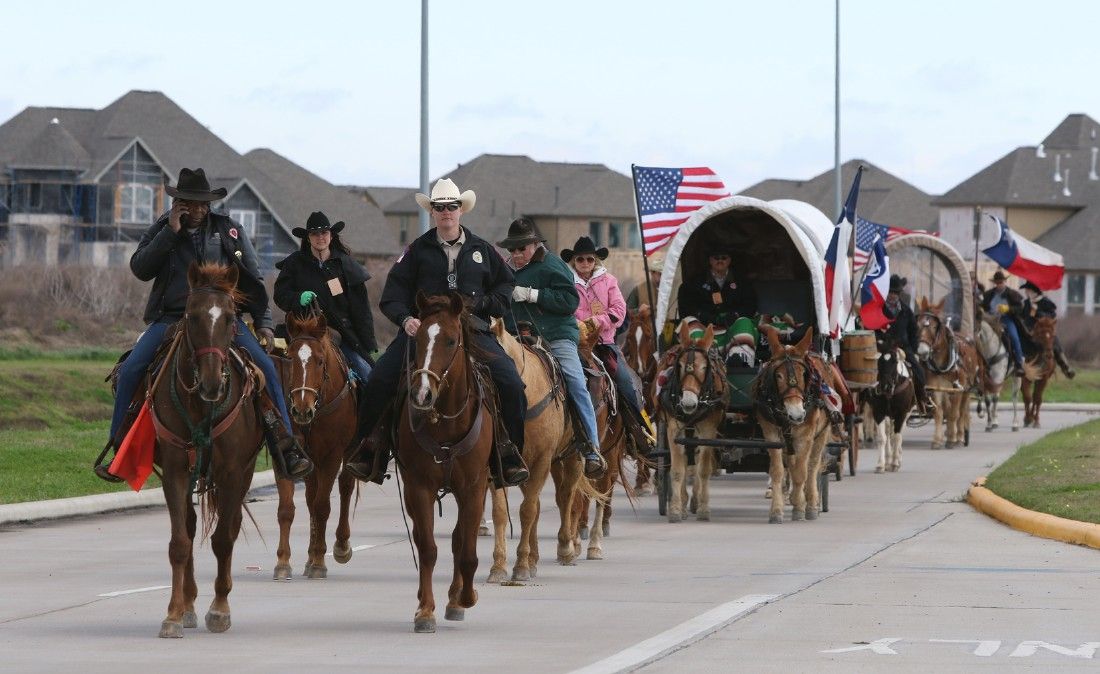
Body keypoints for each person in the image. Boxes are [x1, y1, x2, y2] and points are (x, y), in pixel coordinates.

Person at [94, 168, 312, 482]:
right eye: (190, 204)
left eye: (202, 204)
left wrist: (263, 322)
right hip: (171, 318)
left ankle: (285, 445)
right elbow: (140, 268)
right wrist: (170, 232)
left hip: (223, 320)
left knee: (266, 366)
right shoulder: (161, 230)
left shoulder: (229, 231)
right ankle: (120, 449)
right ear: (178, 203)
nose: (197, 210)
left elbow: (252, 278)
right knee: (130, 370)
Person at [343, 178, 529, 486]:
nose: (446, 213)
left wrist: (483, 302)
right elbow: (392, 295)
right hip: (423, 332)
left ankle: (508, 454)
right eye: (439, 208)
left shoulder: (483, 249)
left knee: (510, 381)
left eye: (451, 207)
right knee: (379, 379)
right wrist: (405, 320)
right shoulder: (416, 251)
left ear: (461, 210)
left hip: (472, 331)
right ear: (432, 212)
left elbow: (505, 285)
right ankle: (369, 449)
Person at [502, 223, 606, 479]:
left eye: (521, 248)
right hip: (517, 337)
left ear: (535, 244)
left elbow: (570, 301)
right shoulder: (505, 270)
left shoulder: (553, 266)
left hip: (556, 336)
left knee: (576, 381)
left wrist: (532, 295)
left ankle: (591, 447)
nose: (516, 254)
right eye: (512, 249)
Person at [564, 235, 653, 454]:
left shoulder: (609, 281)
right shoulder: (565, 281)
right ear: (574, 262)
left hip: (603, 344)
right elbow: (562, 307)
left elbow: (619, 312)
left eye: (589, 259)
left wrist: (595, 322)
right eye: (580, 260)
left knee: (625, 382)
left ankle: (642, 432)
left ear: (595, 261)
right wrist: (574, 323)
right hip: (572, 344)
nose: (585, 264)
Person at [273, 211, 377, 384]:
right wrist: (298, 298)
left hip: (342, 335)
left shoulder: (346, 264)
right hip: (301, 332)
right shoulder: (293, 263)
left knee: (368, 376)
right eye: (314, 233)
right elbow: (280, 295)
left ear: (331, 235)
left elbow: (361, 308)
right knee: (273, 376)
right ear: (307, 238)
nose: (320, 237)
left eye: (324, 233)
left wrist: (368, 342)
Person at [880, 274, 934, 413]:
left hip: (904, 348)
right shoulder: (879, 310)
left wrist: (914, 350)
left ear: (899, 294)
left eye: (895, 293)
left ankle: (922, 398)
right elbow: (874, 328)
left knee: (919, 371)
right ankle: (865, 400)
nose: (893, 295)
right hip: (883, 348)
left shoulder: (907, 311)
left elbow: (913, 331)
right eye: (890, 292)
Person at [677, 249, 757, 328]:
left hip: (734, 323)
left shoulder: (741, 280)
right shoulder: (695, 281)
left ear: (729, 260)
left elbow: (750, 304)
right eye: (716, 258)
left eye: (724, 258)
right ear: (710, 260)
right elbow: (687, 305)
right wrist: (702, 315)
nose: (720, 261)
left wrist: (736, 314)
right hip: (703, 324)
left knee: (745, 328)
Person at [1019, 279, 1075, 378]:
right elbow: (1023, 316)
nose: (1026, 292)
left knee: (1055, 342)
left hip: (1044, 330)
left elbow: (1052, 315)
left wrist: (1038, 312)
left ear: (1033, 290)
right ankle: (1017, 365)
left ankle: (1065, 366)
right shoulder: (1026, 303)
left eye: (1027, 290)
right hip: (1029, 330)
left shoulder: (1045, 301)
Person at [981, 270, 1025, 375]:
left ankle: (1019, 364)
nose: (999, 285)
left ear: (1005, 282)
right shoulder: (988, 294)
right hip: (989, 319)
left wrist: (1008, 308)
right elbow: (982, 306)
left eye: (1001, 282)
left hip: (1006, 319)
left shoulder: (1012, 294)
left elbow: (1020, 308)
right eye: (997, 283)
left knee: (1014, 337)